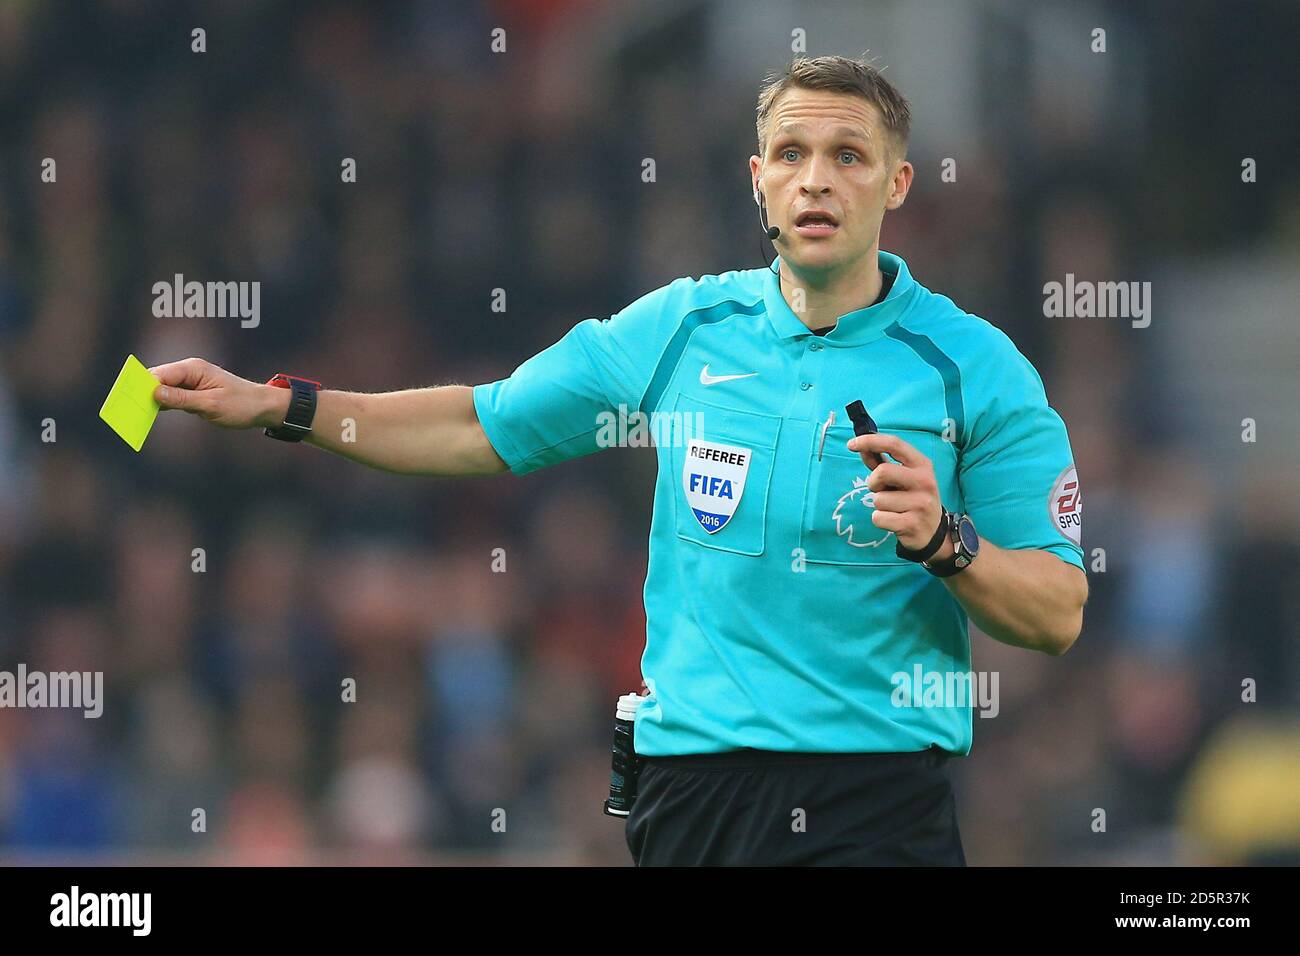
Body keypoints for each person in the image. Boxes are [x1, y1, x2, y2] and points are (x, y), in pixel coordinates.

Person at [150, 55, 1088, 866]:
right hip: (693, 795)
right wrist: (283, 406)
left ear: (898, 185)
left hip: (875, 800)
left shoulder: (976, 370)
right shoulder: (681, 330)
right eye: (793, 156)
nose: (817, 181)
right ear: (756, 178)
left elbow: (1056, 611)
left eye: (849, 156)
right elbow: (484, 425)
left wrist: (945, 543)